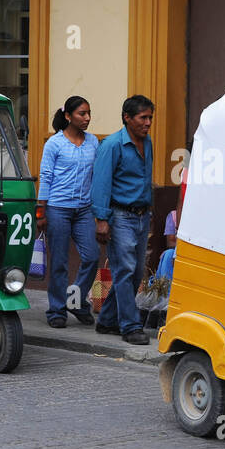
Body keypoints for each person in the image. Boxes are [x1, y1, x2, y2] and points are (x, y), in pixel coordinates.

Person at [91, 95, 155, 345]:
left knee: (134, 272)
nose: (148, 123)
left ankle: (107, 320)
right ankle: (130, 326)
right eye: (143, 117)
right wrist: (102, 219)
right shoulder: (112, 145)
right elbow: (101, 183)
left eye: (150, 117)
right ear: (127, 118)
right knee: (125, 271)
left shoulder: (147, 142)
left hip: (142, 215)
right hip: (119, 216)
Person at [37, 96, 100, 328]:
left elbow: (98, 175)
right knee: (60, 262)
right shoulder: (54, 144)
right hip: (57, 209)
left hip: (84, 209)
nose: (87, 118)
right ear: (68, 116)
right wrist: (41, 211)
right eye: (82, 114)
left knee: (92, 256)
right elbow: (46, 177)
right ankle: (56, 310)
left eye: (89, 113)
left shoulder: (93, 142)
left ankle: (74, 300)